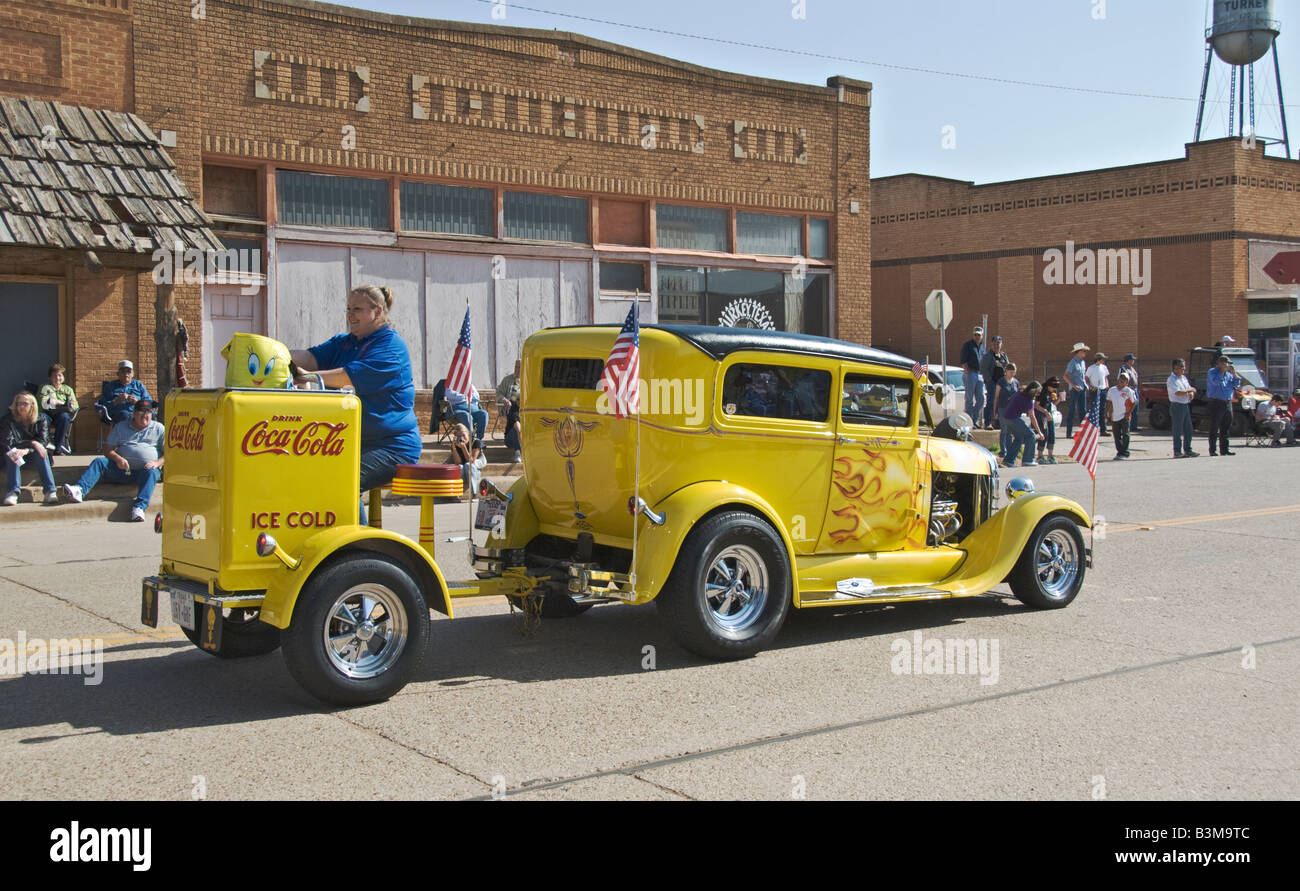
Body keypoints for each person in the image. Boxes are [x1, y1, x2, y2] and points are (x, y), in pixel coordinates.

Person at [290, 284, 423, 498]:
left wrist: (306, 376)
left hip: (393, 447)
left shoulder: (391, 347)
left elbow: (347, 377)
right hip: (354, 443)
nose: (350, 315)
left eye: (357, 309)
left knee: (342, 479)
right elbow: (309, 358)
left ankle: (357, 532)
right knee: (303, 471)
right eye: (348, 309)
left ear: (377, 311)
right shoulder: (345, 343)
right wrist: (272, 353)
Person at [61, 399, 164, 521]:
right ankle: (79, 490)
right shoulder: (121, 427)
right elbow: (107, 449)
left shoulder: (159, 428)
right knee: (99, 462)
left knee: (151, 472)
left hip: (145, 472)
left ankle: (139, 508)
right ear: (134, 413)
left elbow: (170, 453)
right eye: (141, 412)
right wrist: (118, 458)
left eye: (148, 412)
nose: (145, 415)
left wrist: (157, 463)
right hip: (122, 470)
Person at [3, 392, 58, 505]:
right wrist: (32, 443)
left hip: (32, 456)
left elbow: (43, 441)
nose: (21, 406)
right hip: (13, 457)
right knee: (13, 453)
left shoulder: (41, 419)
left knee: (42, 452)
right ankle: (13, 492)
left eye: (25, 403)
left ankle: (50, 492)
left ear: (32, 405)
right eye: (18, 403)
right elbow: (8, 442)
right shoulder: (8, 420)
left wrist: (28, 450)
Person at [999, 380, 1044, 468]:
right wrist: (1039, 432)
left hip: (1006, 418)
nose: (1037, 395)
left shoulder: (1019, 393)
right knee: (1031, 436)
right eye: (1037, 393)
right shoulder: (1029, 400)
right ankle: (1028, 460)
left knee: (1019, 439)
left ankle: (1008, 461)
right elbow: (1032, 417)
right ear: (1033, 391)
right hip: (1013, 418)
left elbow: (1010, 401)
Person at [95, 360, 152, 426]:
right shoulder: (110, 386)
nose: (126, 374)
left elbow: (148, 402)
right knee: (125, 414)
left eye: (128, 371)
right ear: (118, 374)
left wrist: (138, 403)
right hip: (118, 415)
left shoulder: (138, 385)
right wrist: (116, 401)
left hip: (138, 413)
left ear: (133, 374)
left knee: (151, 414)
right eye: (123, 371)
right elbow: (102, 404)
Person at [38, 363, 79, 455]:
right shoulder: (44, 387)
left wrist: (56, 402)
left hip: (60, 414)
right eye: (54, 376)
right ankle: (44, 445)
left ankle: (58, 447)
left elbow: (75, 405)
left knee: (64, 417)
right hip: (47, 413)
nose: (57, 378)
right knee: (42, 419)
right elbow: (43, 402)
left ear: (63, 377)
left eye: (60, 375)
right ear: (49, 377)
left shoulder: (68, 389)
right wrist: (62, 403)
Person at [1205, 354, 1240, 457]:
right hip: (1216, 402)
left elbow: (1236, 384)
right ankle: (1212, 450)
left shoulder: (1229, 374)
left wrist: (1234, 373)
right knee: (1214, 427)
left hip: (1227, 402)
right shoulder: (1212, 372)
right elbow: (1216, 382)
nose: (1227, 365)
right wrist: (1222, 371)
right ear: (1219, 363)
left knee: (1226, 426)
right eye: (1225, 363)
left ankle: (1224, 449)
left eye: (1228, 364)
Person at [1166, 358, 1198, 458]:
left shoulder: (1183, 378)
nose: (1183, 368)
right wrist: (1190, 390)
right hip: (1177, 406)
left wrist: (1191, 393)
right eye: (1181, 366)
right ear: (1175, 367)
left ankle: (1188, 450)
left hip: (1185, 405)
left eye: (1184, 366)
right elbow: (1178, 392)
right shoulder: (1171, 379)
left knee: (1188, 429)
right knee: (1177, 430)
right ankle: (1177, 451)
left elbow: (1188, 388)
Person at [979, 335, 1009, 429]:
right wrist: (989, 380)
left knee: (1002, 403)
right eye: (995, 343)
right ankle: (988, 423)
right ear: (992, 344)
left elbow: (1008, 367)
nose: (997, 345)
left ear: (1001, 344)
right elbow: (984, 369)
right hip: (993, 383)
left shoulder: (1003, 356)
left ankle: (999, 423)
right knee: (991, 402)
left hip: (1002, 384)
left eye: (998, 343)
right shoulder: (988, 356)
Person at [448, 423, 487, 494]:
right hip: (464, 471)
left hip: (475, 470)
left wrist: (463, 448)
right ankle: (456, 493)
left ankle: (474, 493)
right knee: (460, 467)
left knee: (468, 465)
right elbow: (458, 462)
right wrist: (454, 448)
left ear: (468, 434)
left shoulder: (476, 442)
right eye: (459, 436)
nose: (462, 438)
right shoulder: (456, 444)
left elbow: (471, 461)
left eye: (463, 435)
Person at [959, 326, 986, 426]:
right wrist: (967, 370)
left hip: (980, 374)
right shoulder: (967, 345)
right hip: (970, 373)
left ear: (982, 336)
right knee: (969, 398)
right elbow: (963, 359)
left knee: (981, 399)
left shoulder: (983, 346)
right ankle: (968, 421)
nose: (977, 336)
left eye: (979, 335)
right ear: (973, 335)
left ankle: (973, 420)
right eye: (975, 334)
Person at [1106, 372, 1136, 460]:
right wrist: (1108, 412)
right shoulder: (1112, 390)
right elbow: (1109, 402)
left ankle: (1125, 452)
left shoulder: (1128, 391)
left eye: (1124, 380)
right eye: (1121, 379)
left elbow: (1134, 403)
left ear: (1127, 382)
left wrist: (1128, 412)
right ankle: (1119, 452)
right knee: (1116, 435)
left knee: (1125, 434)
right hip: (1115, 416)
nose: (1122, 381)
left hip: (1124, 416)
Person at [1035, 376, 1063, 464]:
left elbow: (1052, 404)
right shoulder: (1041, 391)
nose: (1054, 389)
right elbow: (1036, 405)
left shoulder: (1051, 393)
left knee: (1052, 433)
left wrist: (1059, 400)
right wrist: (1046, 412)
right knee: (1045, 433)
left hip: (1049, 414)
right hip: (1042, 415)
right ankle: (1040, 455)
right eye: (1053, 387)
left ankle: (1050, 455)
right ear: (1049, 385)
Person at [1064, 343, 1090, 437]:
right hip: (1074, 390)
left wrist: (1085, 385)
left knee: (1083, 410)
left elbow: (1082, 376)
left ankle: (1083, 432)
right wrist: (1074, 386)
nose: (1085, 353)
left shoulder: (1082, 362)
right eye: (1083, 351)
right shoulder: (1072, 363)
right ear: (1078, 352)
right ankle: (1069, 432)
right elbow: (1065, 376)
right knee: (1072, 410)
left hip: (1082, 389)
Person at [994, 363, 1019, 456]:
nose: (1012, 374)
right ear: (1006, 371)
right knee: (1004, 430)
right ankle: (1003, 451)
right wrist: (995, 411)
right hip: (1003, 408)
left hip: (1013, 409)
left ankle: (1010, 450)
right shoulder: (1001, 382)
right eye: (1010, 372)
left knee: (1011, 430)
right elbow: (996, 397)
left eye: (1014, 372)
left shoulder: (1016, 382)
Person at [1085, 352, 1111, 437]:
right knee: (1094, 409)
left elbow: (1105, 377)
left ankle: (1103, 430)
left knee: (1102, 410)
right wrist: (1090, 386)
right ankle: (1092, 429)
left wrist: (1107, 385)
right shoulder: (1091, 368)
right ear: (1098, 359)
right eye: (1102, 359)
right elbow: (1086, 378)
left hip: (1103, 390)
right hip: (1095, 390)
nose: (1103, 361)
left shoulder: (1104, 367)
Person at [1120, 353, 1140, 431]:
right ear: (1127, 361)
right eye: (1132, 360)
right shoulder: (1123, 369)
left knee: (1135, 408)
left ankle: (1134, 426)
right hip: (1128, 390)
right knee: (1129, 408)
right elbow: (1121, 380)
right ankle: (1127, 425)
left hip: (1134, 390)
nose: (1133, 361)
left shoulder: (1132, 369)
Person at [504, 397, 522, 464]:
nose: (519, 401)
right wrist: (519, 434)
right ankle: (518, 452)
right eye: (518, 399)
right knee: (516, 429)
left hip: (522, 440)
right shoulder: (513, 410)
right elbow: (516, 424)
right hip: (510, 440)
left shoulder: (526, 409)